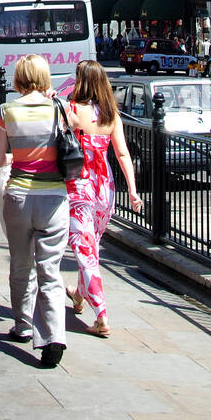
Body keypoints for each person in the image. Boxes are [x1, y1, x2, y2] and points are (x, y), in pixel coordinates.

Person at [0, 55, 69, 368]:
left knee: (21, 263)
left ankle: (23, 324)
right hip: (53, 198)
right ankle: (54, 336)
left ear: (18, 78)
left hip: (19, 195)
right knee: (50, 268)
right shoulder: (58, 110)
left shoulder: (6, 111)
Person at [64, 61, 143, 337]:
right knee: (91, 247)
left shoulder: (71, 110)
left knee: (84, 250)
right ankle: (78, 295)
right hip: (104, 188)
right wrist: (132, 190)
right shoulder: (112, 115)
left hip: (79, 185)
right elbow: (122, 154)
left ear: (81, 81)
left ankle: (101, 314)